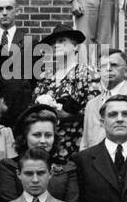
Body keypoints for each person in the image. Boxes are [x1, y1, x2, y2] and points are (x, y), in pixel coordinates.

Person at [31, 24, 99, 165]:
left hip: (75, 144)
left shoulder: (87, 73)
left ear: (75, 47)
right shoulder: (45, 76)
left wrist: (70, 116)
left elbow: (97, 111)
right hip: (46, 145)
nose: (56, 45)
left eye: (62, 41)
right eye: (53, 43)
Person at [0, 104, 80, 202]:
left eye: (48, 135)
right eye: (37, 135)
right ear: (25, 137)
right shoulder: (9, 166)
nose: (43, 141)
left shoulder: (68, 168)